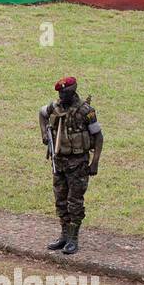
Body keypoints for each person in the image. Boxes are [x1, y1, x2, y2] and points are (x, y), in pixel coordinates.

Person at [38, 76, 102, 255]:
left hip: (78, 165)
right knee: (60, 200)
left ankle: (73, 238)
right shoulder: (55, 107)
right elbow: (41, 114)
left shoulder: (86, 111)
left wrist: (94, 162)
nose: (60, 95)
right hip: (59, 163)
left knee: (75, 202)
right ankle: (64, 234)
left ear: (72, 92)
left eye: (63, 92)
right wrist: (44, 134)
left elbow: (98, 137)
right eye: (59, 92)